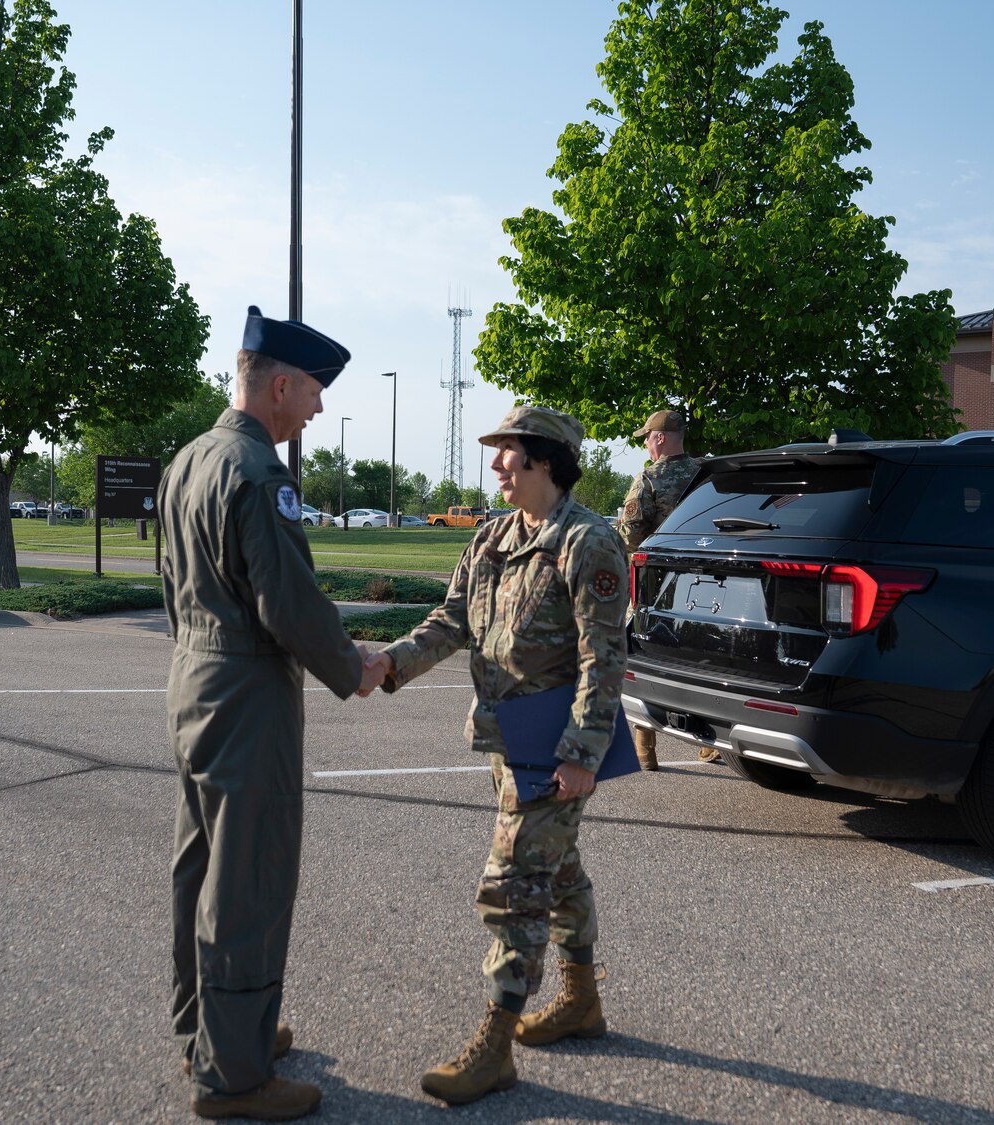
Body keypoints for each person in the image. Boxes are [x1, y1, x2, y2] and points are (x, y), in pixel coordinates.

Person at [159, 305, 390, 1121]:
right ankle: (235, 1077)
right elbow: (288, 604)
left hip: (192, 675)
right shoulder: (260, 474)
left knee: (201, 864)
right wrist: (350, 666)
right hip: (249, 689)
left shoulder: (190, 458)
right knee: (247, 876)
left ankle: (209, 1030)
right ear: (281, 384)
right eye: (316, 392)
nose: (319, 410)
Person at [370, 405, 629, 1106]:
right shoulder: (490, 537)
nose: (495, 467)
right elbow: (451, 619)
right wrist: (389, 662)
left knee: (515, 881)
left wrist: (580, 756)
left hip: (555, 747)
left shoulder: (589, 542)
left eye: (507, 454)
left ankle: (496, 1040)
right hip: (506, 740)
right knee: (558, 867)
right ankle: (580, 998)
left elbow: (603, 660)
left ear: (543, 459)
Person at [611, 408, 708, 766]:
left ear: (660, 438)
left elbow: (632, 536)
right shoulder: (707, 475)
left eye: (647, 438)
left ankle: (645, 748)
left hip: (656, 584)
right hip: (706, 584)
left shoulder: (649, 479)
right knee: (701, 657)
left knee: (641, 655)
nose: (647, 445)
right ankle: (712, 741)